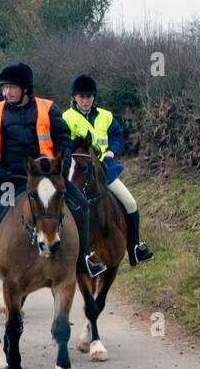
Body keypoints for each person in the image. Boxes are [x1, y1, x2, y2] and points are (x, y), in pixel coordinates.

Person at [0, 62, 106, 278]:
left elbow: (63, 141)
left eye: (11, 87)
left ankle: (83, 258)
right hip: (9, 177)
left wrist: (62, 169)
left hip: (46, 178)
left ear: (25, 89)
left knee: (81, 204)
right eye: (4, 87)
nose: (7, 92)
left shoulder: (47, 108)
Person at [61, 74, 154, 266]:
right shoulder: (66, 118)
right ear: (74, 98)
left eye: (88, 97)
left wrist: (111, 150)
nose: (85, 100)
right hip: (78, 171)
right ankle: (62, 249)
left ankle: (135, 249)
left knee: (131, 203)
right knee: (63, 205)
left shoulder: (106, 116)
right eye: (81, 97)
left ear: (94, 98)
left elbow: (117, 135)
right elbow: (63, 142)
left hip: (105, 171)